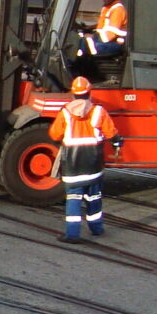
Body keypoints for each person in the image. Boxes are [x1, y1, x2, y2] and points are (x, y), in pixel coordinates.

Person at [48, 76, 121, 243]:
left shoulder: (65, 113)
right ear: (89, 93)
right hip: (93, 164)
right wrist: (118, 141)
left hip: (73, 165)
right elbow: (112, 134)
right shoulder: (98, 111)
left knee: (73, 198)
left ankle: (72, 234)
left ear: (73, 94)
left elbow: (54, 134)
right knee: (94, 197)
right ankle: (96, 228)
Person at [73, 0, 128, 76]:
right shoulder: (107, 7)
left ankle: (81, 74)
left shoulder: (117, 9)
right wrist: (89, 28)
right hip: (106, 40)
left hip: (115, 44)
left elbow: (110, 34)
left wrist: (92, 36)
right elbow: (104, 25)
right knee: (79, 40)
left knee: (85, 45)